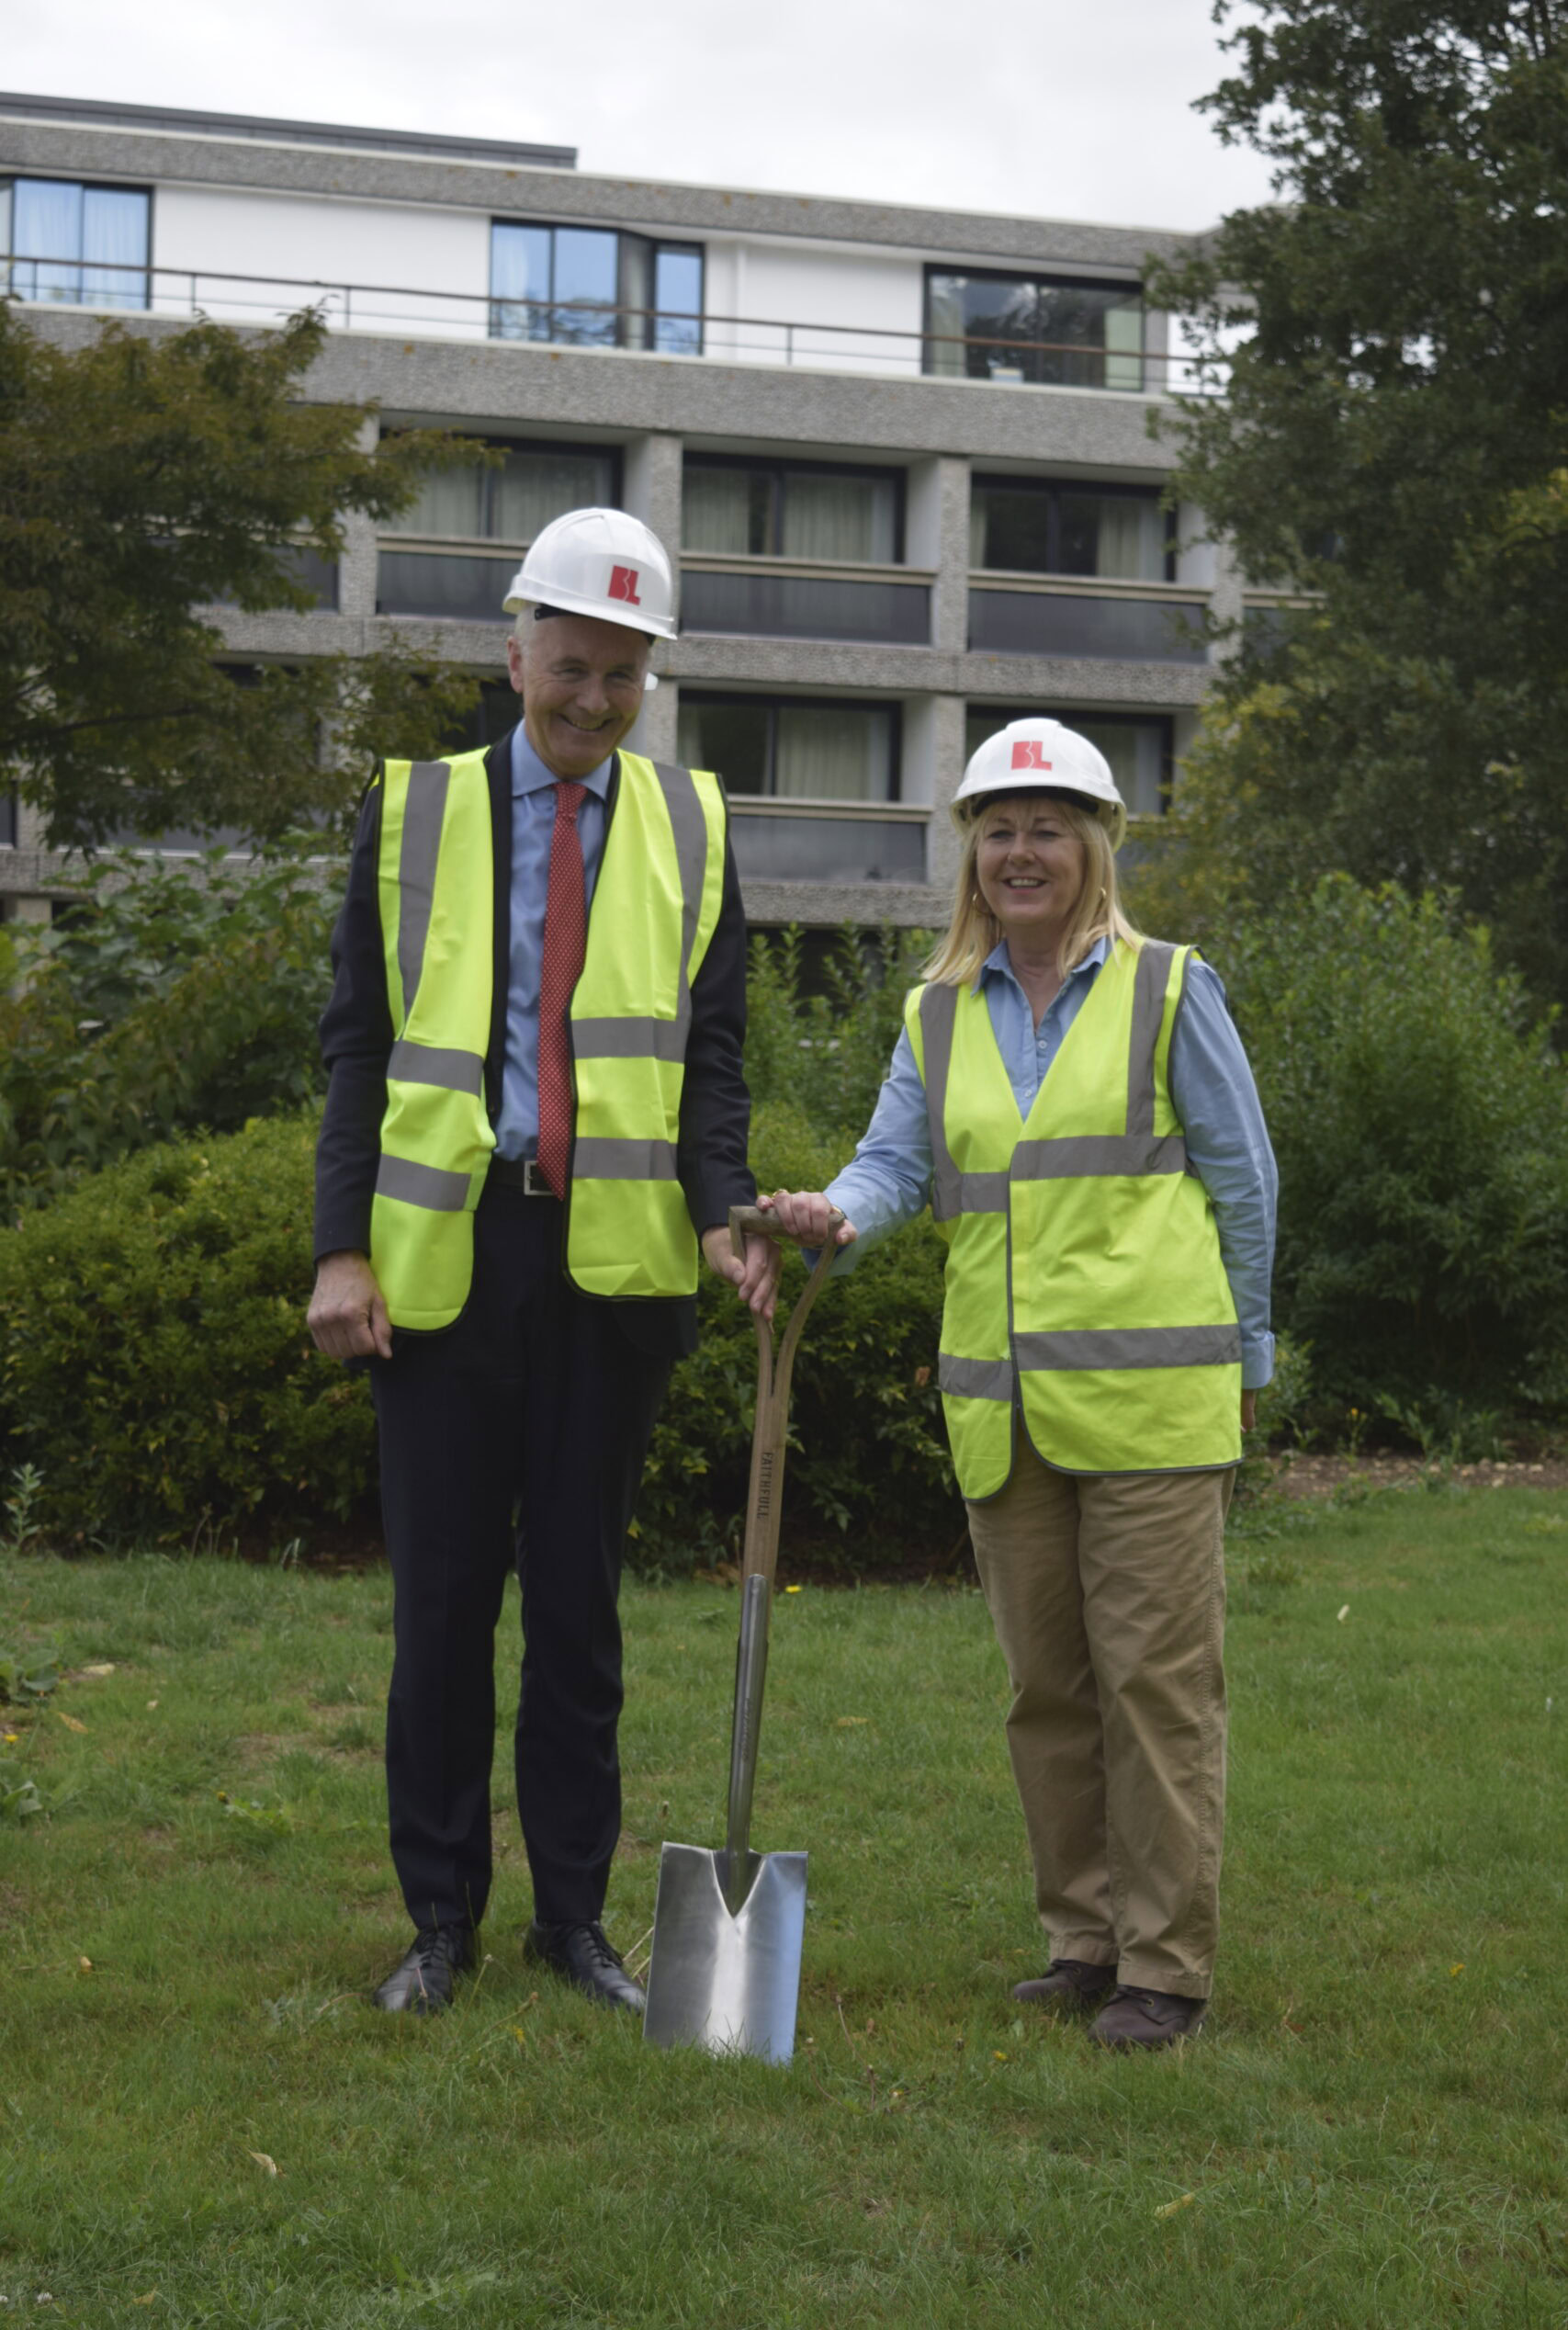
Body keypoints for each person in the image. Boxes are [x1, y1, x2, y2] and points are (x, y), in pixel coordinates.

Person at [307, 507, 777, 2017]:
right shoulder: (417, 812)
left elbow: (711, 1059)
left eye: (624, 675)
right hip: (446, 1265)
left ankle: (572, 1923)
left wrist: (724, 1211)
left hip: (614, 1272)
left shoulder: (693, 826)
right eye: (572, 666)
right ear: (516, 655)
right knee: (442, 1612)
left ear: (650, 680)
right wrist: (338, 1251)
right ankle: (438, 1922)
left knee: (579, 1611)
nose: (594, 699)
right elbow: (358, 1047)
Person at [766, 718, 1276, 2051]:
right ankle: (1085, 1943)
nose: (1021, 851)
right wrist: (832, 1215)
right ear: (972, 855)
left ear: (1097, 846)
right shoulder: (937, 1012)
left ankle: (1167, 1966)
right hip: (1005, 1409)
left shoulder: (1170, 989)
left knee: (1156, 1688)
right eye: (999, 830)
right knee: (1046, 1692)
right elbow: (895, 1165)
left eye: (1049, 827)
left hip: (1154, 1404)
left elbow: (1244, 1182)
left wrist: (1252, 1355)